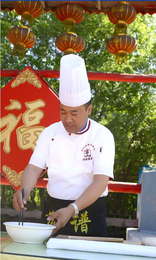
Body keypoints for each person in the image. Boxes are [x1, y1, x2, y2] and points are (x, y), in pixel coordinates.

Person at [13, 54, 115, 237]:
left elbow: (101, 181)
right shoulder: (50, 133)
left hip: (88, 213)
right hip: (53, 212)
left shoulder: (102, 135)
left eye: (74, 113)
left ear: (89, 110)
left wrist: (73, 208)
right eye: (63, 112)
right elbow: (33, 167)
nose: (68, 119)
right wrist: (24, 190)